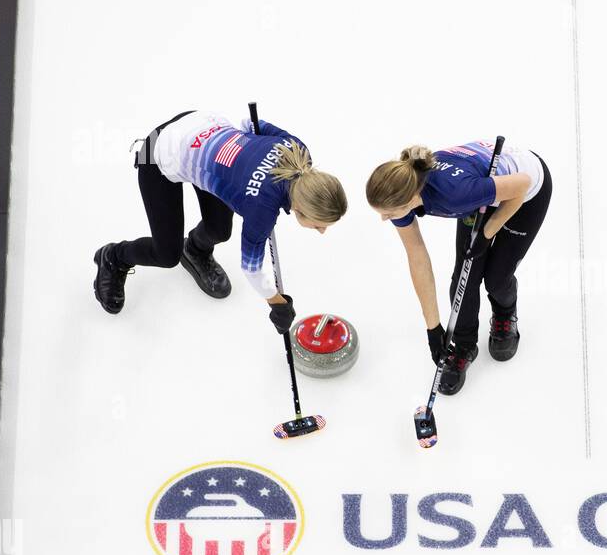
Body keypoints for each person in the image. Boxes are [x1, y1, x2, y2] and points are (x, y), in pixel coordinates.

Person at [93, 110, 347, 335]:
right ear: (300, 208)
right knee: (166, 254)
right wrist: (277, 303)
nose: (322, 230)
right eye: (318, 224)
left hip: (201, 128)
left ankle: (194, 250)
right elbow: (252, 269)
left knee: (219, 230)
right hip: (159, 151)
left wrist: (251, 160)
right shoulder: (261, 209)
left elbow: (251, 124)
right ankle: (114, 257)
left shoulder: (298, 151)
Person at [366, 139, 552, 395]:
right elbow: (417, 256)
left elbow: (521, 186)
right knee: (463, 280)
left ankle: (504, 313)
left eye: (388, 212)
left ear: (411, 197)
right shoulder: (403, 191)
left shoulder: (455, 194)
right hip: (483, 188)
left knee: (496, 277)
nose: (384, 218)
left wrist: (487, 232)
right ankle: (464, 346)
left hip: (525, 188)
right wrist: (433, 329)